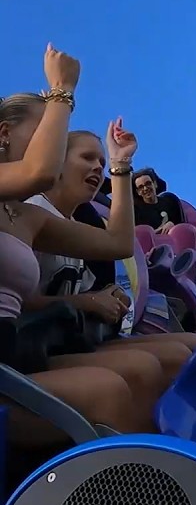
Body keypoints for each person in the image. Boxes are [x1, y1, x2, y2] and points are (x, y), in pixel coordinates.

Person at [0, 52, 165, 444]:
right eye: (46, 131)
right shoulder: (28, 182)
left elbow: (117, 242)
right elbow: (38, 171)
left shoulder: (26, 217)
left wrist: (120, 168)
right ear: (4, 134)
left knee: (140, 372)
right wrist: (63, 90)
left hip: (15, 350)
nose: (54, 146)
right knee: (106, 391)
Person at [23, 130, 196, 379]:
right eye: (87, 158)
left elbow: (120, 247)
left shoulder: (77, 225)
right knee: (150, 366)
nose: (97, 167)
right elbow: (16, 302)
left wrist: (107, 298)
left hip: (60, 337)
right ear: (57, 161)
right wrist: (88, 302)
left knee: (192, 347)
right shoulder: (33, 210)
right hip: (27, 344)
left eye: (102, 163)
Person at [133, 167, 185, 233]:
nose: (145, 188)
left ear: (155, 184)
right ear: (138, 192)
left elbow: (182, 224)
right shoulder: (136, 212)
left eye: (148, 183)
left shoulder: (170, 201)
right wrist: (160, 230)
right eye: (141, 187)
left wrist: (172, 223)